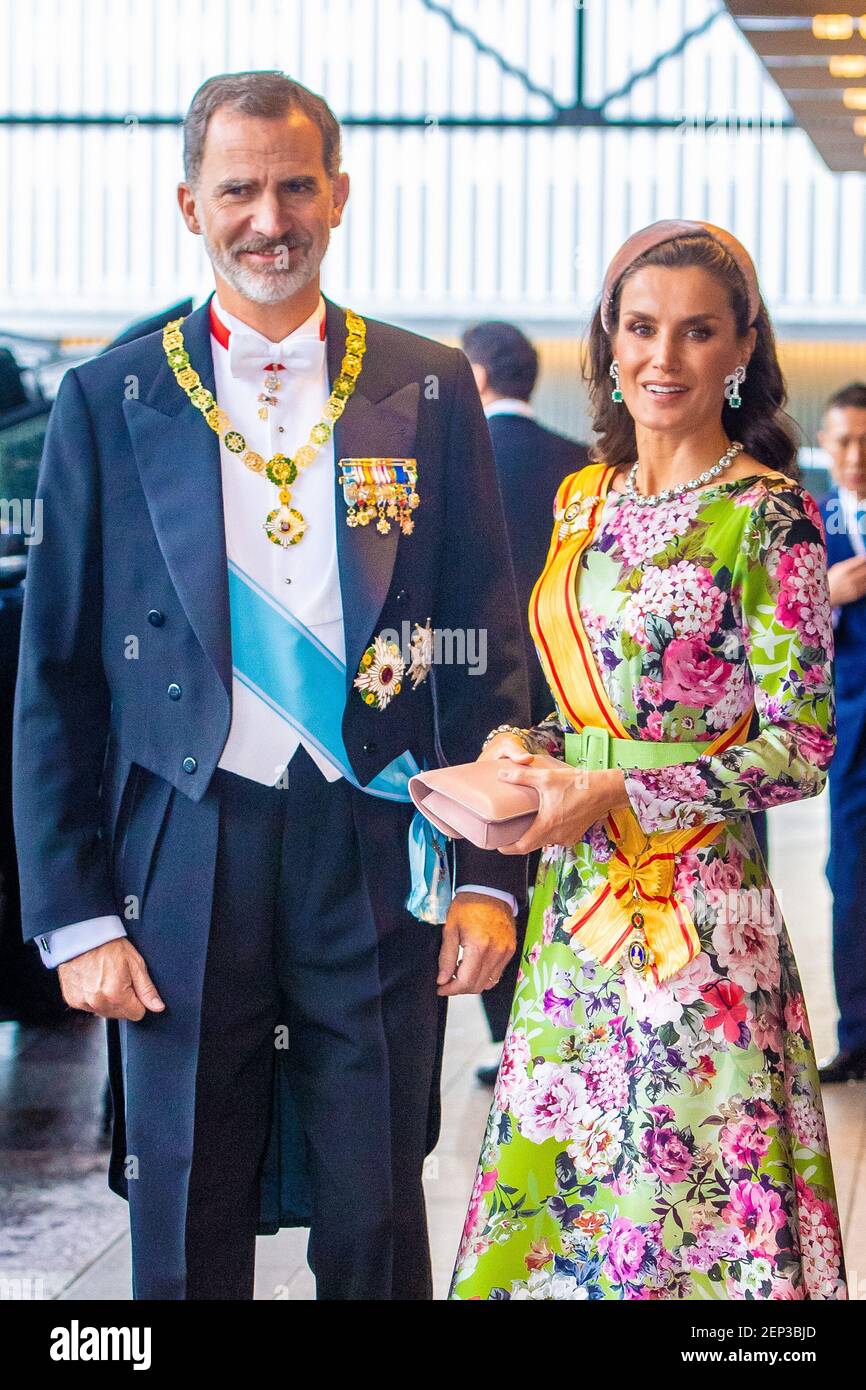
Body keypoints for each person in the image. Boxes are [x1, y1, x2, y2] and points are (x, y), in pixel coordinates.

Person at [12, 70, 530, 1301]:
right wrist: (75, 918)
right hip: (182, 851)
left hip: (377, 841)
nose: (269, 215)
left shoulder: (424, 382)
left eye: (295, 184)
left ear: (338, 194)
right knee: (185, 1190)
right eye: (237, 187)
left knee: (375, 1199)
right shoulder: (107, 397)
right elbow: (56, 679)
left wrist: (493, 877)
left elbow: (485, 644)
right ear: (188, 203)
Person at [449, 220, 847, 1301]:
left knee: (695, 1209)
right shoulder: (580, 499)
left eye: (694, 332)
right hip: (577, 906)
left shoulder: (769, 516)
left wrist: (620, 787)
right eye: (638, 327)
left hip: (701, 919)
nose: (660, 358)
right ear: (606, 339)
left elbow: (797, 747)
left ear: (738, 348)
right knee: (572, 1199)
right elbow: (582, 710)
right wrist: (521, 749)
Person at [462, 320, 589, 1085]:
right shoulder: (585, 469)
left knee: (496, 843)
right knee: (572, 855)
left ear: (477, 376)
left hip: (483, 689)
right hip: (576, 693)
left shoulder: (456, 462)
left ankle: (508, 1027)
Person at [818, 382, 866, 1083]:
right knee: (850, 876)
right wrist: (823, 595)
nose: (855, 455)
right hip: (851, 726)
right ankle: (857, 1034)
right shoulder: (806, 522)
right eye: (843, 441)